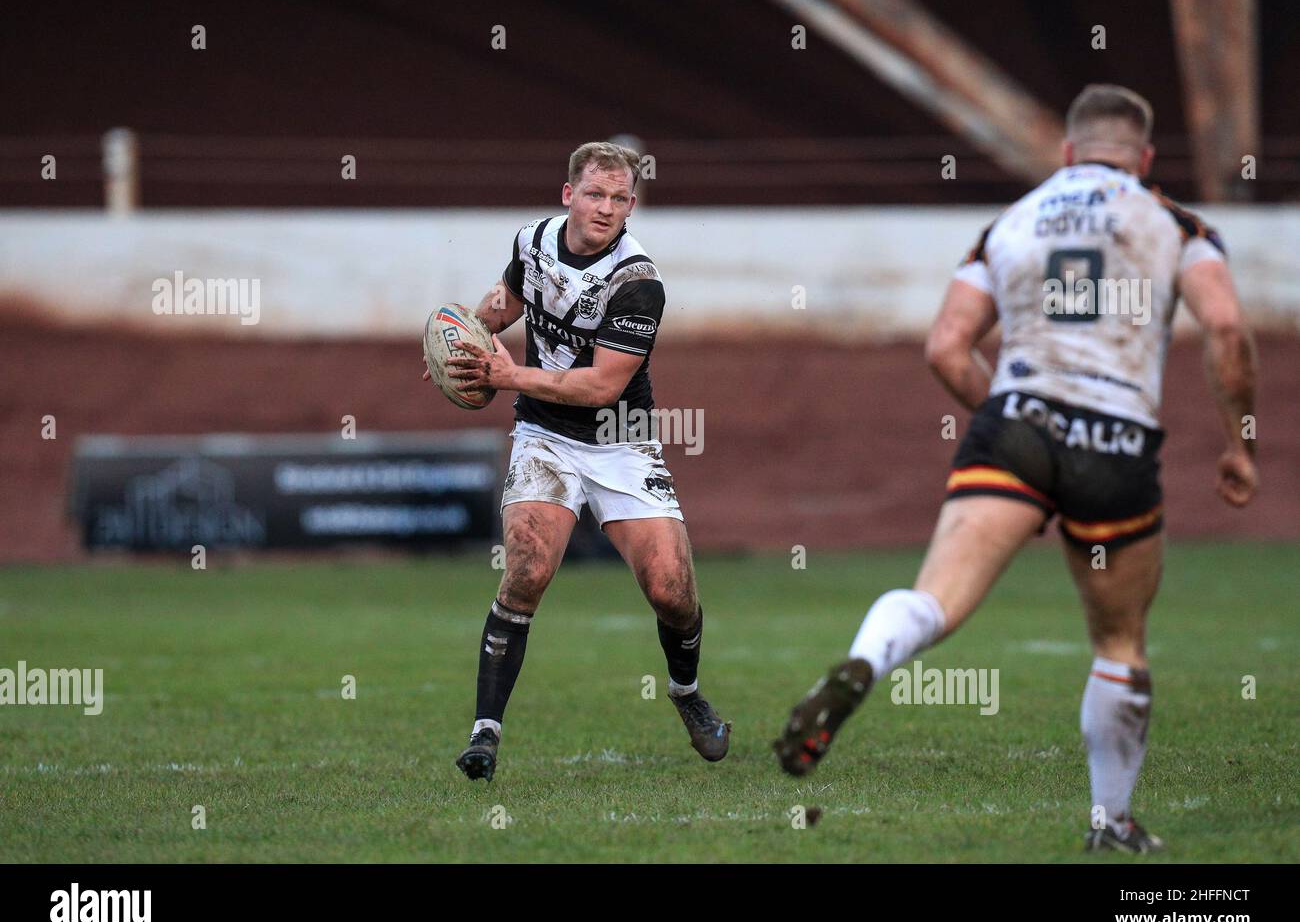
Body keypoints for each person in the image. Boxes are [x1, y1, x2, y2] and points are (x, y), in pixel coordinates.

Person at [772, 85, 1258, 853]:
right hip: (1117, 439)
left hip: (1016, 425)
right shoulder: (1174, 223)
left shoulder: (1013, 221)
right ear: (1146, 157)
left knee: (935, 601)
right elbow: (1226, 326)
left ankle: (864, 662)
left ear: (1066, 152)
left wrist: (1006, 424)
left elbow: (945, 346)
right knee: (1119, 642)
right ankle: (1112, 823)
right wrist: (1241, 442)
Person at [433, 141, 730, 782]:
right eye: (596, 194)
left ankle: (686, 694)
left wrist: (508, 375)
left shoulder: (638, 282)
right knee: (528, 569)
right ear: (568, 194)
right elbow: (507, 302)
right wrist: (461, 338)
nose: (607, 208)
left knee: (672, 593)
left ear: (631, 205)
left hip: (622, 439)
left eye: (620, 198)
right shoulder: (531, 239)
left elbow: (600, 387)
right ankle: (485, 732)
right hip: (545, 436)